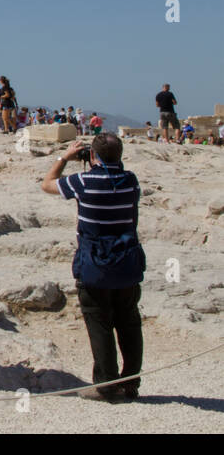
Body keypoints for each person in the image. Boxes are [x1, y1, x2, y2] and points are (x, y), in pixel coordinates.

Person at [42, 133, 144, 401]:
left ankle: (107, 385)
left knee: (99, 324)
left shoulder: (84, 182)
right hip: (127, 264)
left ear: (93, 156)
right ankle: (131, 382)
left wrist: (64, 157)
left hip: (95, 265)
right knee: (129, 323)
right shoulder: (130, 181)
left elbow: (47, 184)